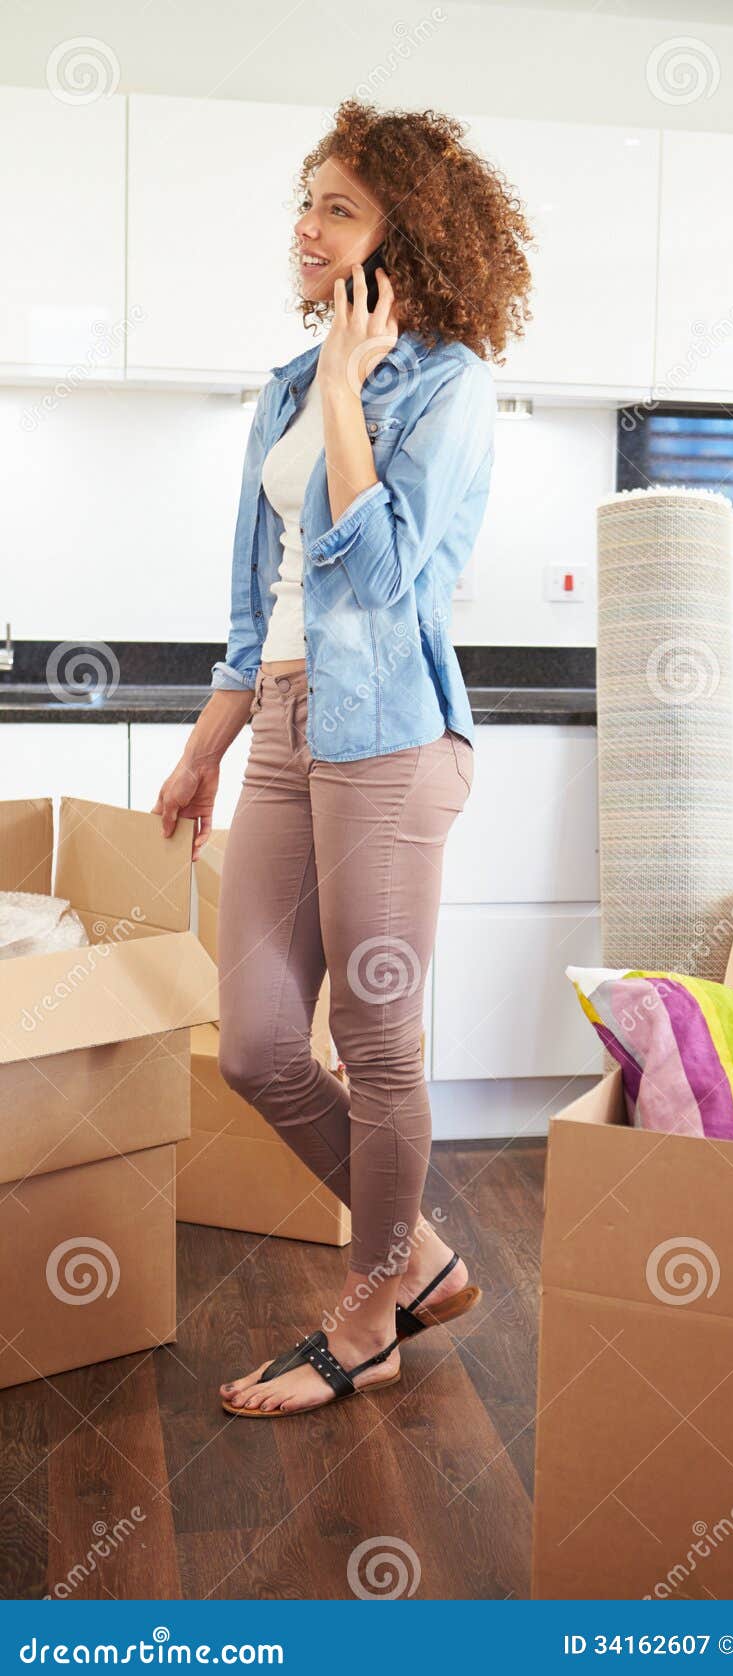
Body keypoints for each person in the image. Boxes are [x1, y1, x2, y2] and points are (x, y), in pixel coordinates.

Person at [152, 102, 532, 1418]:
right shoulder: (279, 387)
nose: (305, 229)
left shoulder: (450, 386)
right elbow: (254, 599)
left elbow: (381, 568)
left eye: (338, 208)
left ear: (401, 238)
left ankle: (366, 1314)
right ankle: (419, 1258)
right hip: (285, 737)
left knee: (378, 1044)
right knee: (256, 1041)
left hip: (389, 742)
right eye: (305, 201)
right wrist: (209, 739)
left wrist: (341, 387)